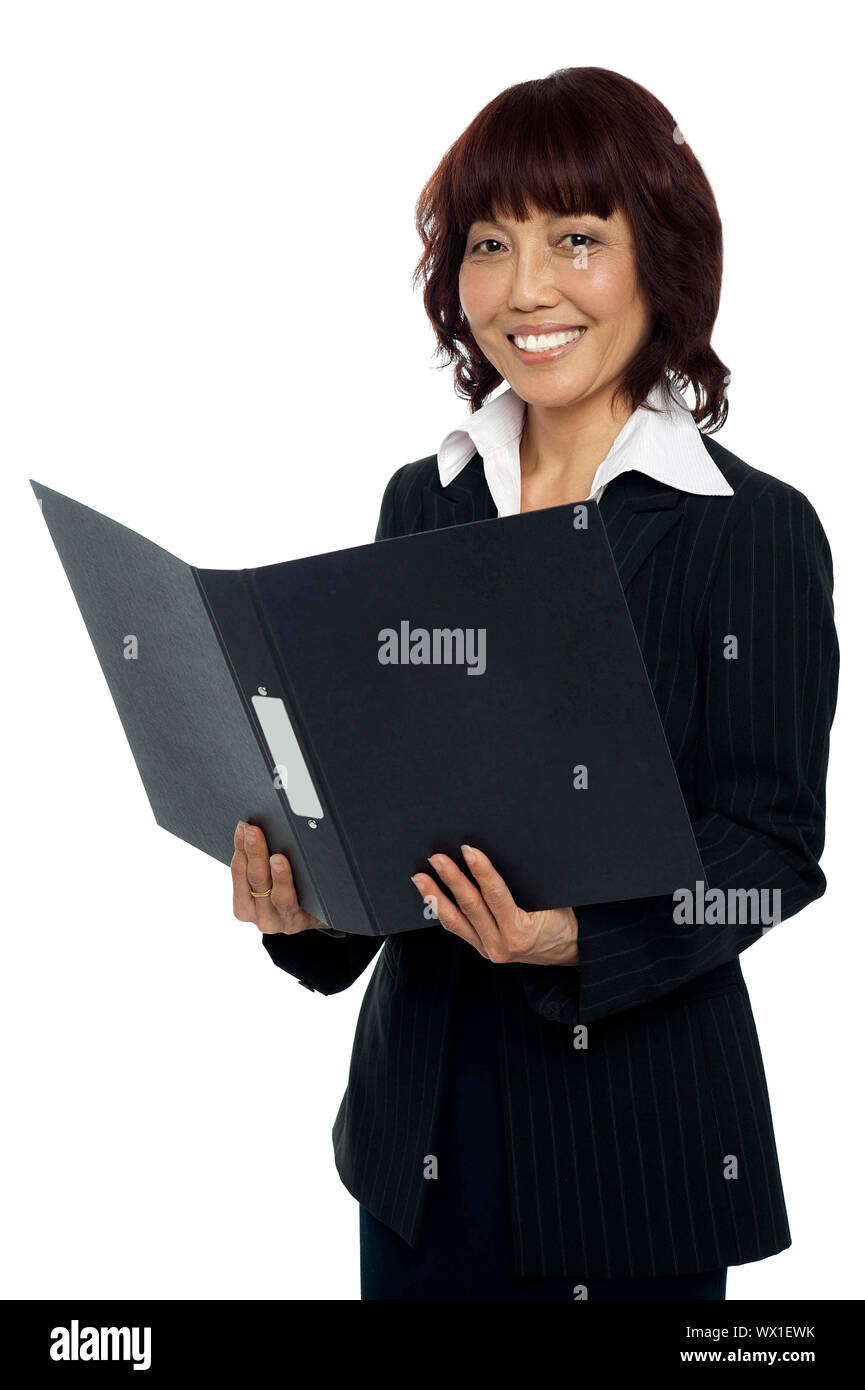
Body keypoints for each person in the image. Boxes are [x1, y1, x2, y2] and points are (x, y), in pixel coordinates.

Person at [231, 66, 839, 1300]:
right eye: (487, 244)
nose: (526, 290)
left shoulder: (751, 531)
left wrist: (580, 938)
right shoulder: (426, 500)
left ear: (658, 258)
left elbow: (771, 853)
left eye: (576, 238)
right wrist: (313, 910)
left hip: (635, 1143)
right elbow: (395, 802)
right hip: (424, 1134)